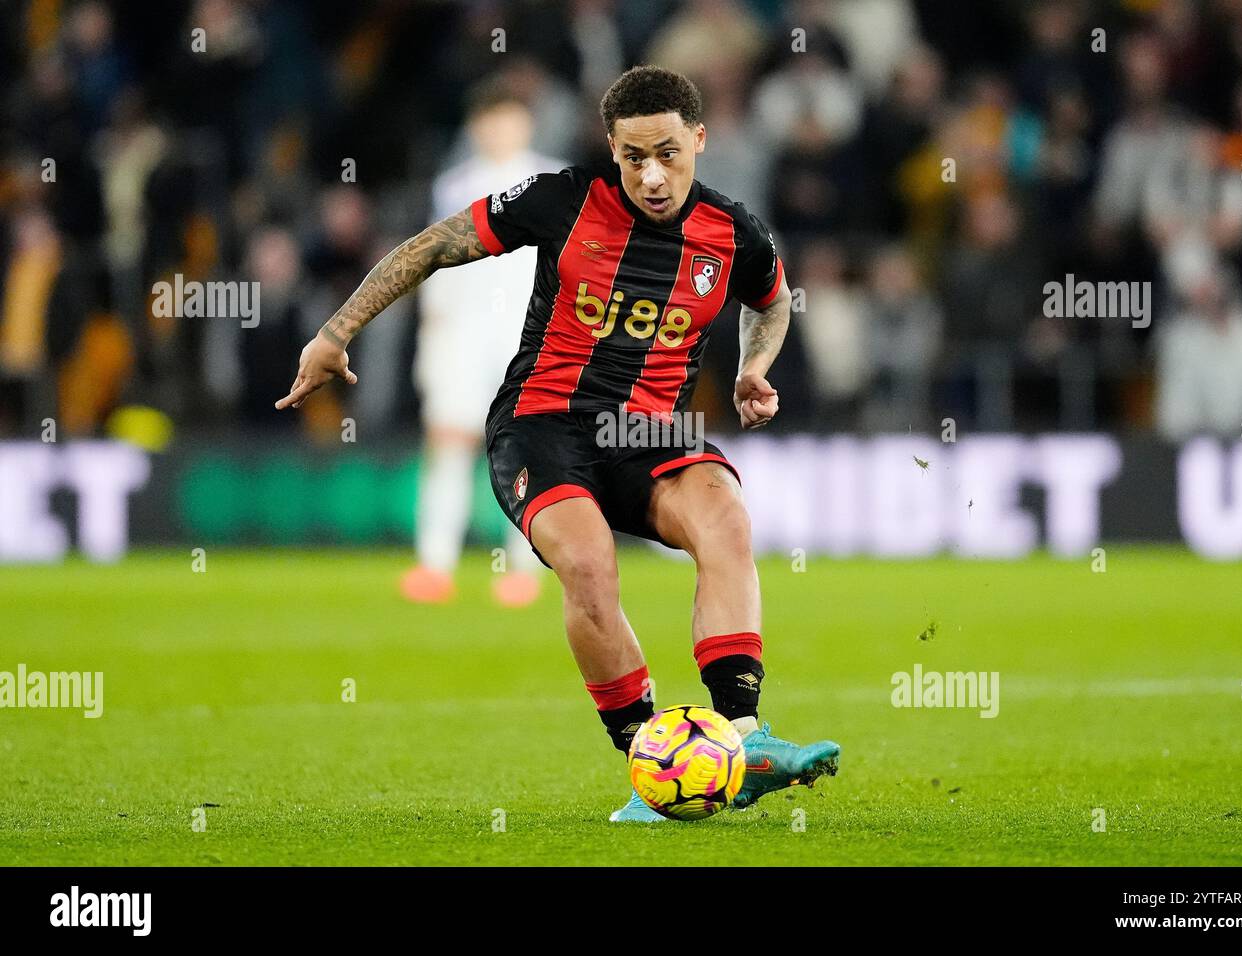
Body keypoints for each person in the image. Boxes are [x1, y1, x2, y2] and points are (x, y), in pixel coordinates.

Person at [277, 66, 840, 822]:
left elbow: (771, 304)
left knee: (727, 519)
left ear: (700, 140)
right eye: (633, 155)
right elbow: (432, 246)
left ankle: (742, 734)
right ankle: (652, 759)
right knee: (587, 561)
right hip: (543, 424)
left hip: (648, 433)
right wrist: (334, 332)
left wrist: (753, 369)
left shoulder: (735, 232)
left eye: (668, 153)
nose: (650, 174)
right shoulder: (562, 200)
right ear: (611, 147)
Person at [402, 84, 565, 607]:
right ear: (476, 128)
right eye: (490, 120)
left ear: (527, 125)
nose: (499, 131)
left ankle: (524, 568)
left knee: (529, 450)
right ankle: (434, 563)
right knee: (449, 442)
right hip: (462, 331)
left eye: (510, 119)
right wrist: (432, 331)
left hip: (530, 333)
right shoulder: (454, 187)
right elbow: (433, 263)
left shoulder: (556, 181)